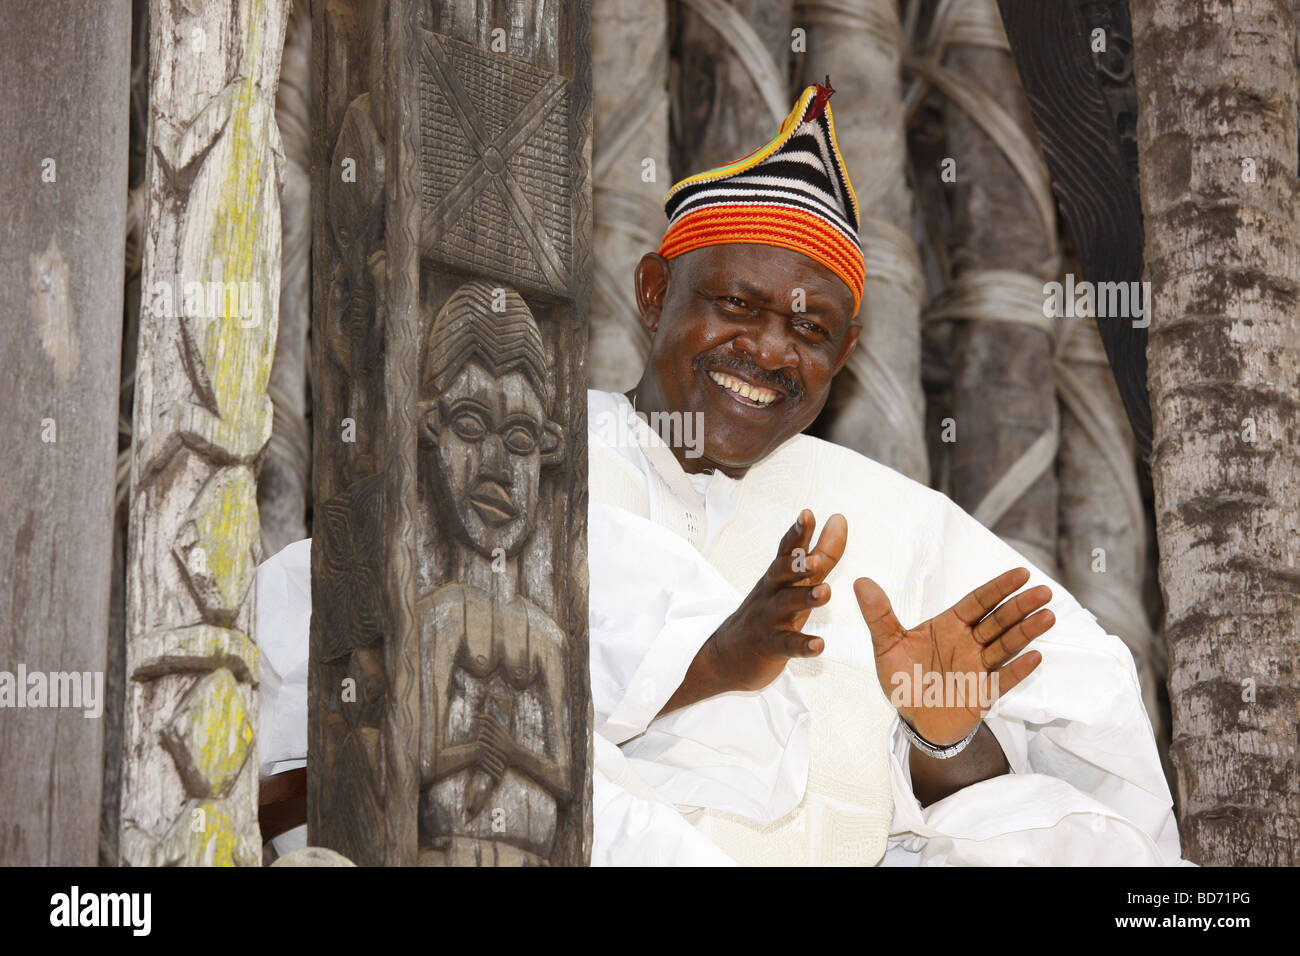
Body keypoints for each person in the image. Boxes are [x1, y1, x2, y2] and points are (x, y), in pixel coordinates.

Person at [257, 77, 1184, 866]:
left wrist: (942, 727)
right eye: (736, 304)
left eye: (810, 329)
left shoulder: (900, 527)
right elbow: (339, 733)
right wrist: (705, 666)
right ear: (654, 292)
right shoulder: (511, 459)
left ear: (848, 353)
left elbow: (1003, 817)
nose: (768, 350)